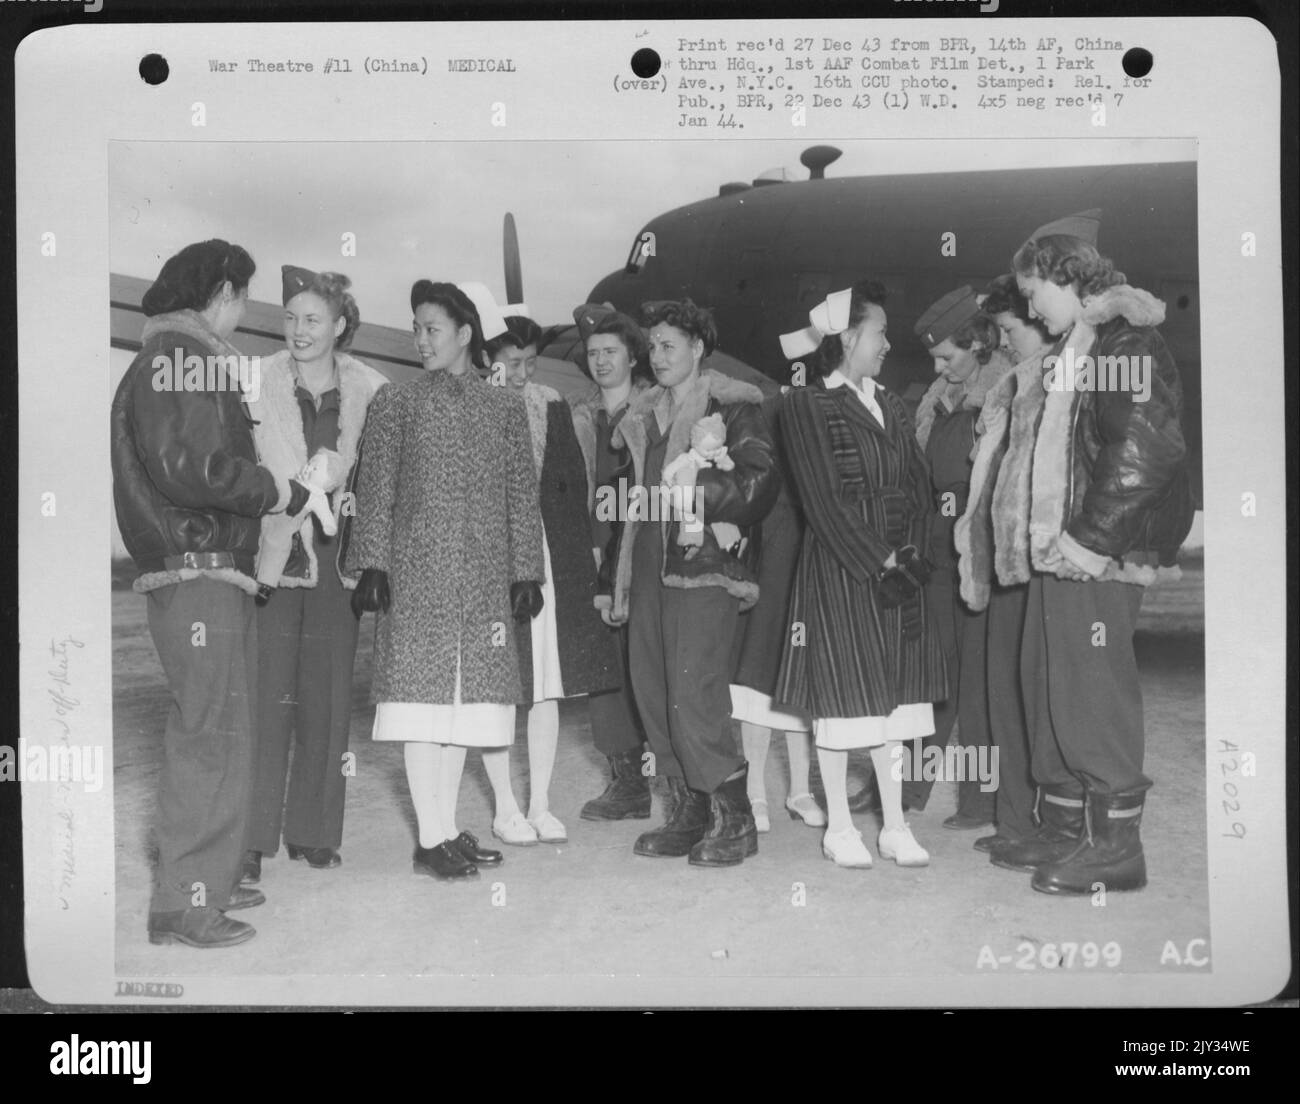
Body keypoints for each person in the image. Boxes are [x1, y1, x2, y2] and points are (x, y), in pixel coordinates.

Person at [111, 239, 316, 947]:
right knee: (211, 739)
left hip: (197, 570)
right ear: (222, 291)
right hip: (199, 570)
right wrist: (278, 488)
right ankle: (189, 904)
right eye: (243, 296)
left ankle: (198, 886)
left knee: (212, 733)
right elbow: (192, 466)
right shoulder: (180, 359)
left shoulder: (167, 358)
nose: (245, 311)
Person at [985, 210, 1193, 894]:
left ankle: (1117, 850)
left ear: (1062, 276)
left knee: (1092, 694)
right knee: (1054, 688)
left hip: (1099, 550)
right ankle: (1069, 826)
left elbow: (1146, 449)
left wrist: (1089, 540)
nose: (1028, 306)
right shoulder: (1083, 346)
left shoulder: (1125, 343)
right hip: (1065, 548)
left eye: (1032, 291)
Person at [346, 280, 545, 880]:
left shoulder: (505, 407)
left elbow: (520, 494)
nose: (420, 339)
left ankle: (448, 828)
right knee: (421, 707)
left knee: (467, 709)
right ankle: (430, 837)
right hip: (418, 578)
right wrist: (372, 564)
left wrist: (526, 571)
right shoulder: (395, 404)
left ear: (465, 335)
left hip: (483, 580)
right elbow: (374, 490)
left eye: (432, 328)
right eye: (416, 327)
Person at [774, 282, 949, 869]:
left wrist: (916, 556)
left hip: (902, 572)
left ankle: (895, 825)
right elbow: (824, 503)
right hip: (844, 572)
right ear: (849, 337)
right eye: (879, 332)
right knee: (844, 703)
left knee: (893, 711)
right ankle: (841, 828)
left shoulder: (892, 403)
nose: (887, 343)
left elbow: (920, 488)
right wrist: (881, 561)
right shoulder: (804, 405)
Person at [601, 299, 778, 866]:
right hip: (648, 563)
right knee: (653, 691)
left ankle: (736, 817)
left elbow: (758, 484)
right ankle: (688, 811)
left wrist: (692, 491)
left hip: (701, 566)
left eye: (668, 345)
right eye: (651, 346)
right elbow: (627, 506)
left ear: (699, 348)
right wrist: (615, 577)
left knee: (695, 691)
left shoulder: (733, 403)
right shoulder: (642, 413)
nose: (656, 356)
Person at [240, 267, 387, 885]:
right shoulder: (256, 384)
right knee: (265, 700)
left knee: (327, 703)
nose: (298, 331)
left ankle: (315, 831)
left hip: (337, 567)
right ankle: (249, 838)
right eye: (290, 318)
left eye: (312, 320)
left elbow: (381, 484)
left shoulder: (375, 393)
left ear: (340, 326)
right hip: (275, 559)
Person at [478, 312, 619, 845]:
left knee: (547, 687)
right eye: (513, 363)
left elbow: (570, 487)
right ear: (487, 358)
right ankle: (505, 806)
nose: (522, 373)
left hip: (547, 560)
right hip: (492, 558)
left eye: (531, 362)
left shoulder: (551, 404)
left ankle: (539, 803)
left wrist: (577, 565)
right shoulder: (474, 404)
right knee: (498, 687)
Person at [952, 275, 1055, 857]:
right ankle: (1014, 821)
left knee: (1031, 697)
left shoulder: (1062, 385)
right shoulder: (1012, 386)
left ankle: (1038, 823)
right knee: (1002, 695)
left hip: (1034, 565)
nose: (1008, 344)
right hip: (996, 563)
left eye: (1014, 331)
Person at [906, 287, 1016, 828]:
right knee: (933, 674)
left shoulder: (1006, 390)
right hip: (936, 547)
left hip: (979, 550)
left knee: (977, 680)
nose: (937, 365)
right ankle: (907, 791)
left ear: (977, 343)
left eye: (946, 355)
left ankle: (980, 801)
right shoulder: (937, 395)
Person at [568, 307, 654, 821]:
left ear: (632, 355)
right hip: (592, 559)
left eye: (611, 352)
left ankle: (672, 782)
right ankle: (627, 784)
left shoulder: (652, 413)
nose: (601, 361)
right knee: (604, 674)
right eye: (593, 353)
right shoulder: (579, 418)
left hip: (640, 559)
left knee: (645, 671)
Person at [729, 389, 823, 833]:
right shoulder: (767, 426)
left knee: (800, 688)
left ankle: (800, 789)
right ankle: (755, 792)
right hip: (770, 570)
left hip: (812, 574)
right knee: (758, 682)